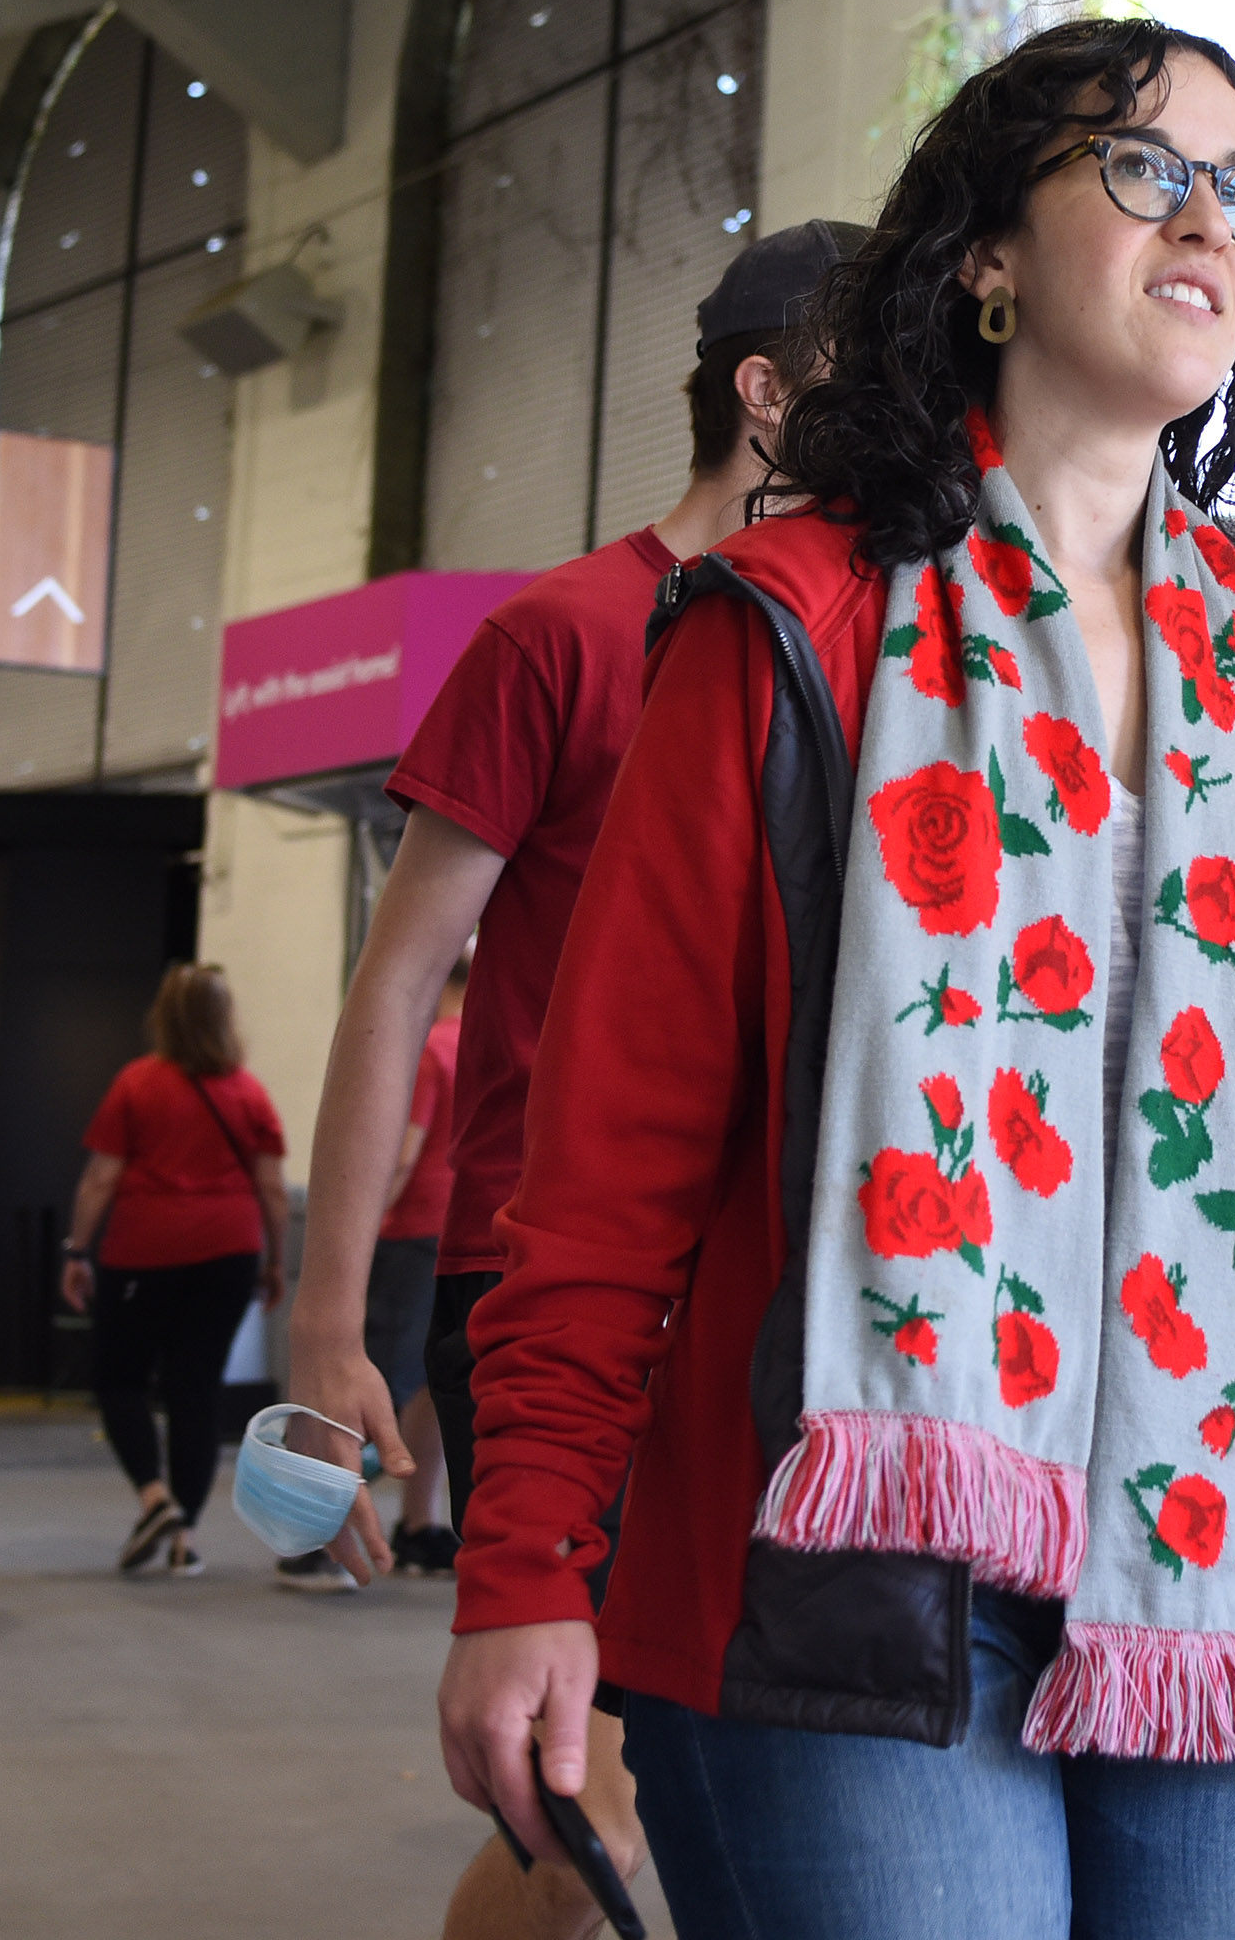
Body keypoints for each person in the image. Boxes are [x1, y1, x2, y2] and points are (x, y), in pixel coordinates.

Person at [436, 18, 1235, 1940]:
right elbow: (609, 1143)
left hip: (1221, 1565)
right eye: (1147, 170)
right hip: (846, 1571)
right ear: (984, 254)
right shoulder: (791, 627)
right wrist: (527, 1548)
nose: (1212, 220)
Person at [288, 218, 850, 1935]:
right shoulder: (567, 634)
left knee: (658, 1795)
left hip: (768, 1294)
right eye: (869, 369)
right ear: (767, 394)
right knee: (592, 1797)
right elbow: (397, 986)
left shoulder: (844, 638)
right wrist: (325, 1327)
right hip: (558, 1283)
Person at [57, 963, 289, 1579]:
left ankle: (155, 1499)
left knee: (120, 1380)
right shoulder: (250, 1092)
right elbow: (271, 1189)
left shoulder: (136, 1084)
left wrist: (77, 1251)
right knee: (196, 1389)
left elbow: (101, 1176)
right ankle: (184, 1531)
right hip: (229, 1254)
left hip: (144, 1256)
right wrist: (275, 1261)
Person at [365, 953, 468, 1574]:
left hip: (413, 1231)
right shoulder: (486, 1044)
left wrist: (369, 1223)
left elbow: (403, 1153)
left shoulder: (431, 1049)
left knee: (373, 1377)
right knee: (436, 1383)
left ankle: (318, 1543)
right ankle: (419, 1523)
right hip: (468, 1235)